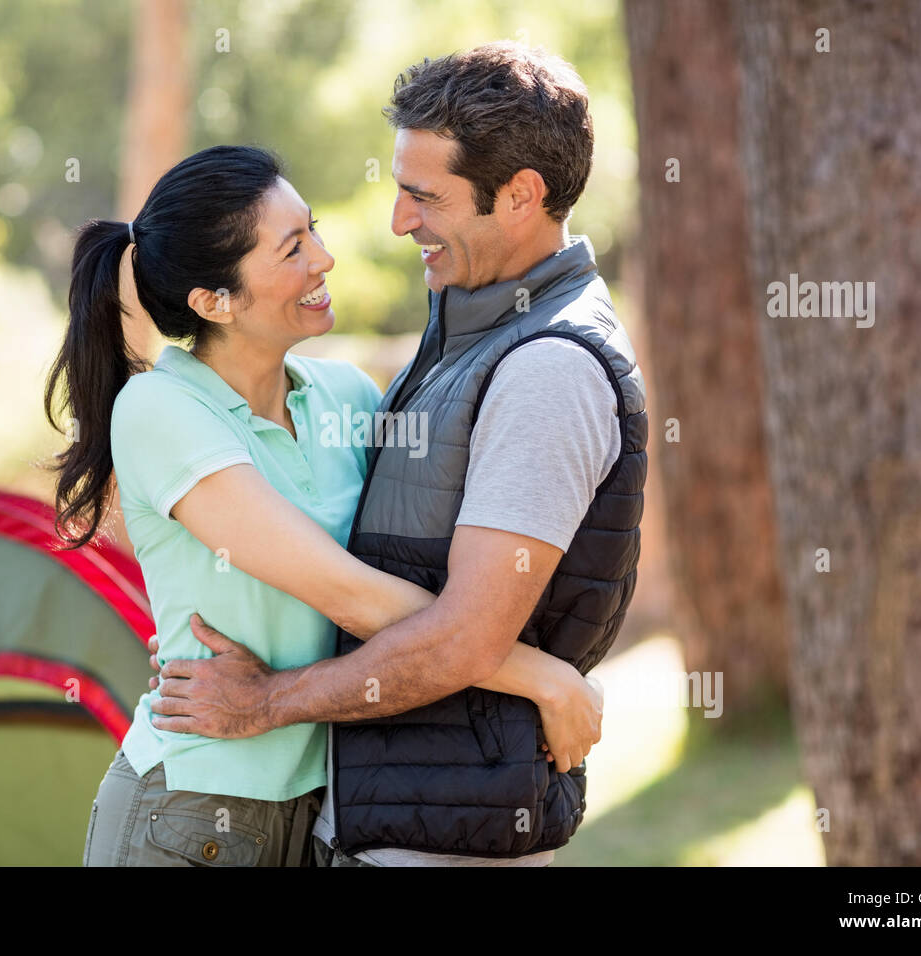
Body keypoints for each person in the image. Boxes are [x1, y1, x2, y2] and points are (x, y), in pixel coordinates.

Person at [151, 42, 647, 866]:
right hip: (401, 814)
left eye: (425, 196)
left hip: (452, 831)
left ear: (520, 196)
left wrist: (268, 702)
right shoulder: (467, 326)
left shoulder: (547, 371)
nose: (398, 221)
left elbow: (465, 638)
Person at [44, 143, 602, 866]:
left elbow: (423, 570)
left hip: (330, 814)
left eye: (314, 229)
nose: (325, 259)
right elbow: (346, 592)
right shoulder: (160, 410)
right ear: (215, 302)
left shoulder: (347, 399)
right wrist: (542, 678)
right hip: (190, 815)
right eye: (292, 249)